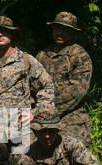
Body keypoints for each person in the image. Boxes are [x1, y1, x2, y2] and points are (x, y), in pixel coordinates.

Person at [0, 15, 55, 156]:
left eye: (4, 31)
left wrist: (35, 113)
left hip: (22, 129)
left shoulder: (25, 60)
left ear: (12, 34)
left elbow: (47, 86)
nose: (0, 34)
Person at [35, 11, 93, 145]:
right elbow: (33, 85)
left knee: (72, 155)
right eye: (57, 28)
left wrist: (50, 108)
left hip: (71, 119)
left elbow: (77, 91)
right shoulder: (42, 55)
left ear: (73, 33)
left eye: (66, 30)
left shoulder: (79, 55)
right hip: (43, 117)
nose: (60, 32)